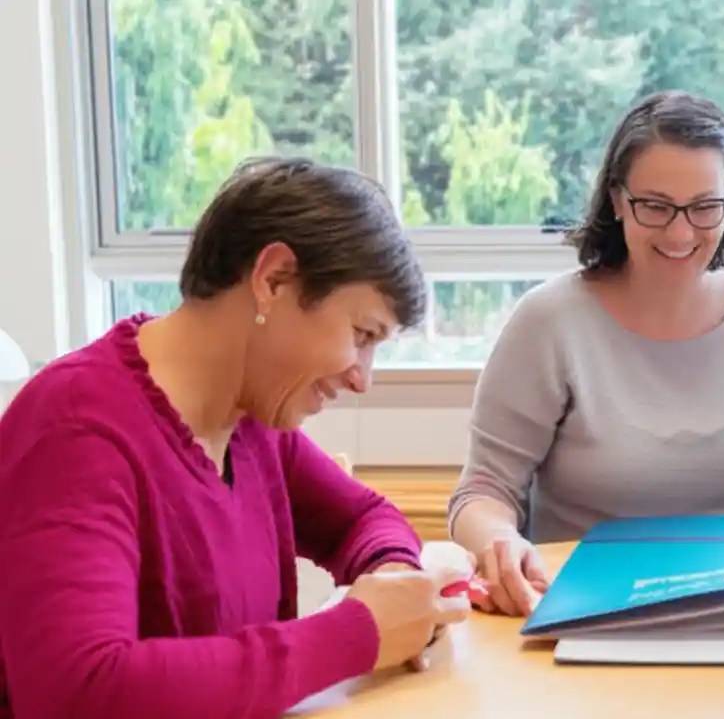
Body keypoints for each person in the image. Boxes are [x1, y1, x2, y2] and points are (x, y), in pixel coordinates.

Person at [0, 158, 473, 719]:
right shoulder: (75, 429)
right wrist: (358, 633)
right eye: (361, 334)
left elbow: (361, 518)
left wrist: (396, 577)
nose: (361, 378)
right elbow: (80, 691)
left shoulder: (250, 418)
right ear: (272, 280)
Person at [448, 90, 724, 617]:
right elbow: (483, 491)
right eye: (655, 206)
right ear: (619, 201)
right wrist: (497, 542)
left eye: (704, 207)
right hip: (576, 610)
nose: (680, 231)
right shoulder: (550, 320)